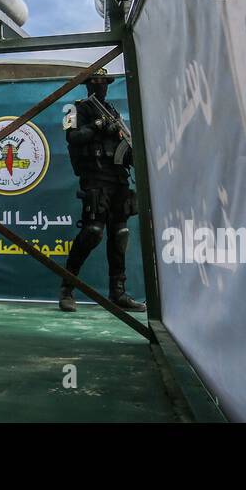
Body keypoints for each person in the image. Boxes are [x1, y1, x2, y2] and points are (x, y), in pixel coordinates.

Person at [58, 68, 147, 314]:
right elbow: (72, 137)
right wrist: (98, 126)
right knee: (93, 232)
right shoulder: (73, 109)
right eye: (96, 82)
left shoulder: (114, 112)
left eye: (105, 82)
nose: (101, 86)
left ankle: (118, 292)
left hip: (118, 178)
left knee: (120, 233)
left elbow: (123, 144)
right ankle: (67, 288)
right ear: (88, 84)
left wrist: (129, 149)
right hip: (95, 178)